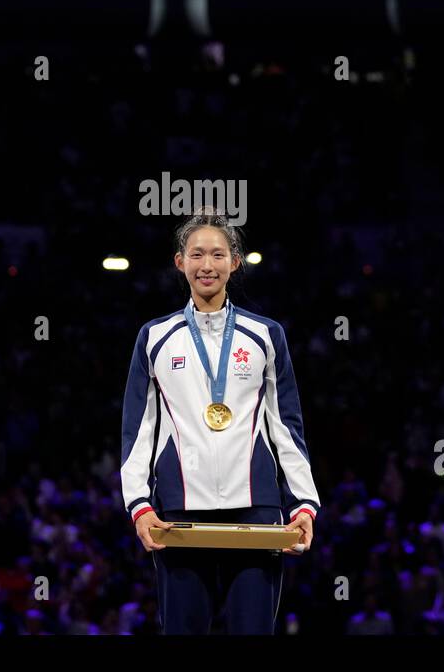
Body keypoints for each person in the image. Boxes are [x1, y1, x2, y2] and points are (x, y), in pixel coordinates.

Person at [120, 213, 320, 634]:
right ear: (179, 262)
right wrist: (138, 504)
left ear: (235, 262)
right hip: (178, 509)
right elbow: (139, 429)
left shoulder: (265, 334)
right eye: (196, 254)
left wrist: (303, 502)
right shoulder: (155, 337)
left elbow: (286, 424)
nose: (206, 264)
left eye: (217, 254)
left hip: (255, 507)